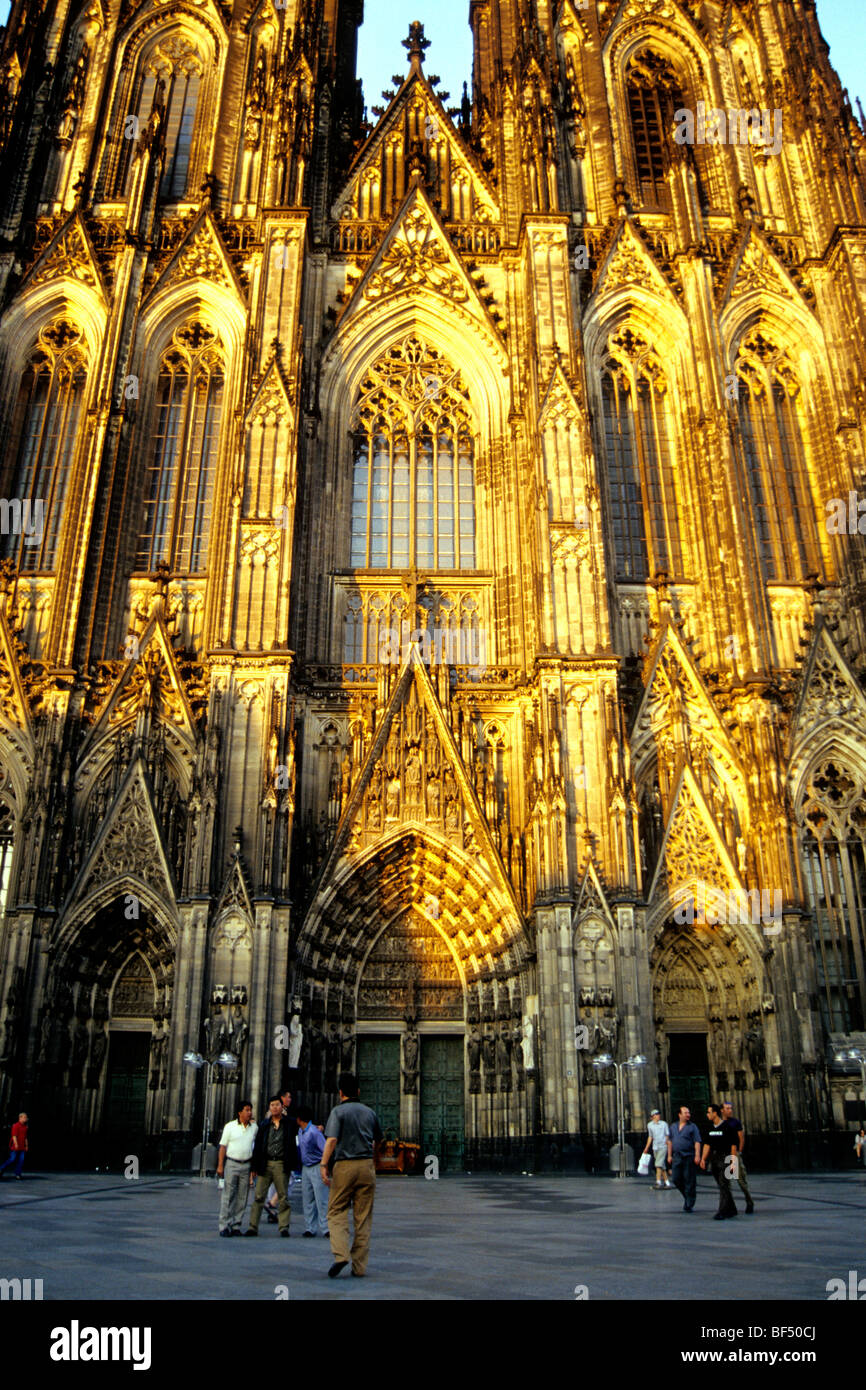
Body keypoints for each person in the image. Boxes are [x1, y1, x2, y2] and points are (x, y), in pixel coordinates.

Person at [320, 1072, 383, 1278]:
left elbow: (331, 1140)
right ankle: (360, 1267)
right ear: (358, 1091)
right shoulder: (369, 1112)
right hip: (365, 1166)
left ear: (340, 1093)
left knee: (336, 1210)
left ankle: (340, 1254)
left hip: (344, 1165)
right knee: (363, 1218)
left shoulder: (338, 1112)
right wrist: (371, 1161)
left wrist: (323, 1165)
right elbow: (378, 1141)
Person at [247, 1095, 296, 1236]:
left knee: (283, 1197)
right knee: (258, 1196)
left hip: (281, 1163)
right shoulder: (264, 1125)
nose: (274, 1107)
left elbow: (302, 1125)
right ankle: (253, 1227)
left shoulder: (290, 1124)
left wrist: (317, 1126)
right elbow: (257, 1147)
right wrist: (254, 1167)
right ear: (269, 1108)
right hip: (265, 1163)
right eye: (272, 1105)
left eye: (277, 1105)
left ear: (282, 1107)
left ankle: (283, 1227)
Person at [216, 1100, 257, 1237]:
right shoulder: (230, 1127)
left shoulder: (254, 1128)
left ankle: (236, 1225)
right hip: (232, 1163)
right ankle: (224, 1226)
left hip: (246, 1164)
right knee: (228, 1195)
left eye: (250, 1110)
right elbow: (223, 1147)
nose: (250, 1112)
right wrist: (220, 1165)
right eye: (247, 1110)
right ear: (240, 1112)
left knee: (242, 1197)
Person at [700, 1102, 739, 1220]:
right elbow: (707, 1144)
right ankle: (732, 1209)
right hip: (714, 1158)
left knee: (724, 1184)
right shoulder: (709, 1128)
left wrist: (733, 1162)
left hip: (727, 1157)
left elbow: (733, 1146)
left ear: (715, 1113)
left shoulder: (728, 1127)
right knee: (722, 1185)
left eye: (709, 1112)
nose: (707, 1114)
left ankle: (722, 1211)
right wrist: (703, 1159)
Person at [296, 1105, 329, 1238]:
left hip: (316, 1166)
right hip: (306, 1168)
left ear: (300, 1119)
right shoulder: (300, 1130)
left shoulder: (315, 1132)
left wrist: (325, 1167)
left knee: (321, 1199)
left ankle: (326, 1229)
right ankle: (310, 1228)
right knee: (308, 1198)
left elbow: (325, 1149)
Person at [666, 1105, 702, 1212]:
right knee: (676, 1179)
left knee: (689, 1179)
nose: (688, 1115)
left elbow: (697, 1141)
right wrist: (669, 1155)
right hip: (677, 1156)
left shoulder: (692, 1126)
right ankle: (687, 1195)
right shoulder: (673, 1126)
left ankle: (689, 1202)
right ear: (679, 1114)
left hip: (689, 1156)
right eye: (686, 1113)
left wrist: (697, 1155)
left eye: (689, 1113)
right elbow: (670, 1142)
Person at [721, 1100, 755, 1214]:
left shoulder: (735, 1122)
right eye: (727, 1108)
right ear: (722, 1110)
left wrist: (738, 1153)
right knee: (727, 1183)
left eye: (730, 1108)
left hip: (734, 1154)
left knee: (741, 1181)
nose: (730, 1110)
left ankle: (749, 1201)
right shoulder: (720, 1123)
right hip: (725, 1155)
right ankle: (730, 1206)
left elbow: (741, 1138)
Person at [642, 1108, 671, 1189]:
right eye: (656, 1115)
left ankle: (658, 1182)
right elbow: (650, 1137)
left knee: (658, 1164)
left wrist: (667, 1146)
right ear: (653, 1116)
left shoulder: (664, 1124)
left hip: (663, 1146)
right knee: (662, 1165)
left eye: (659, 1114)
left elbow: (667, 1135)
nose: (658, 1116)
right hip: (655, 1147)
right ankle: (667, 1182)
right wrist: (646, 1148)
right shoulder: (649, 1125)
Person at [0, 1112, 28, 1180]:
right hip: (15, 1146)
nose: (25, 1119)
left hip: (22, 1147)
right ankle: (1, 1168)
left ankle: (18, 1174)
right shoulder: (15, 1125)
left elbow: (25, 1137)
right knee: (12, 1159)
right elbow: (14, 1136)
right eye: (24, 1117)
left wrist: (26, 1145)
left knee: (21, 1160)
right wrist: (16, 1144)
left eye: (26, 1118)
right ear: (20, 1118)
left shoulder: (25, 1127)